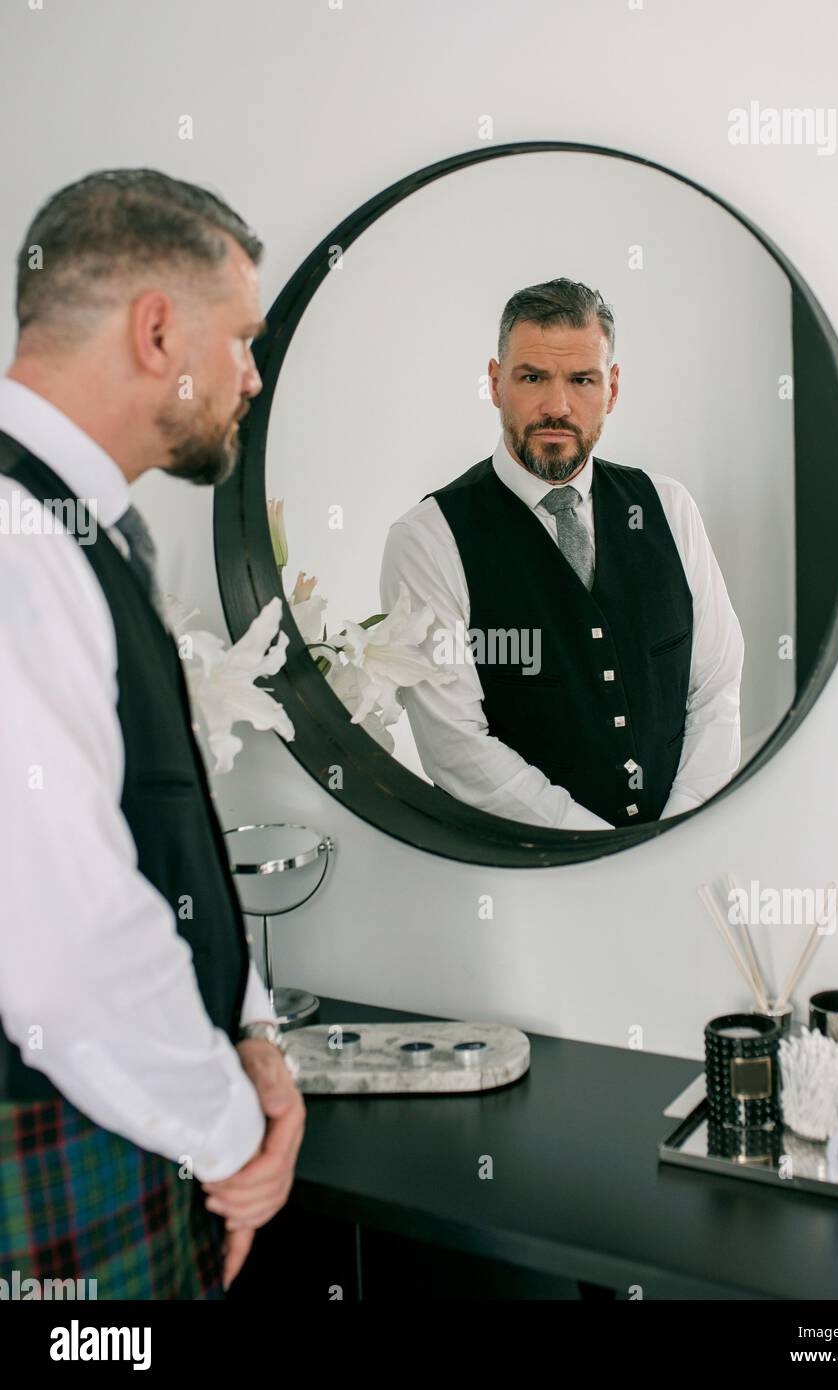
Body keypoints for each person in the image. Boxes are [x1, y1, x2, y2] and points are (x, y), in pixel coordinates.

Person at [0, 169, 304, 1299]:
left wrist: (252, 1031)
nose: (253, 375)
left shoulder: (76, 530)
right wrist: (237, 1137)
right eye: (242, 340)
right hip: (60, 1167)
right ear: (158, 327)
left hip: (138, 1122)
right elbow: (62, 949)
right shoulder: (15, 544)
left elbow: (152, 826)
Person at [380, 278, 744, 831]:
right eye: (532, 378)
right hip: (524, 875)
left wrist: (675, 834)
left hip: (674, 850)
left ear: (612, 388)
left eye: (582, 379)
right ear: (496, 383)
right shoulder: (428, 539)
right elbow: (455, 747)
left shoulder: (669, 507)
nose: (558, 406)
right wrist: (598, 850)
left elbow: (716, 690)